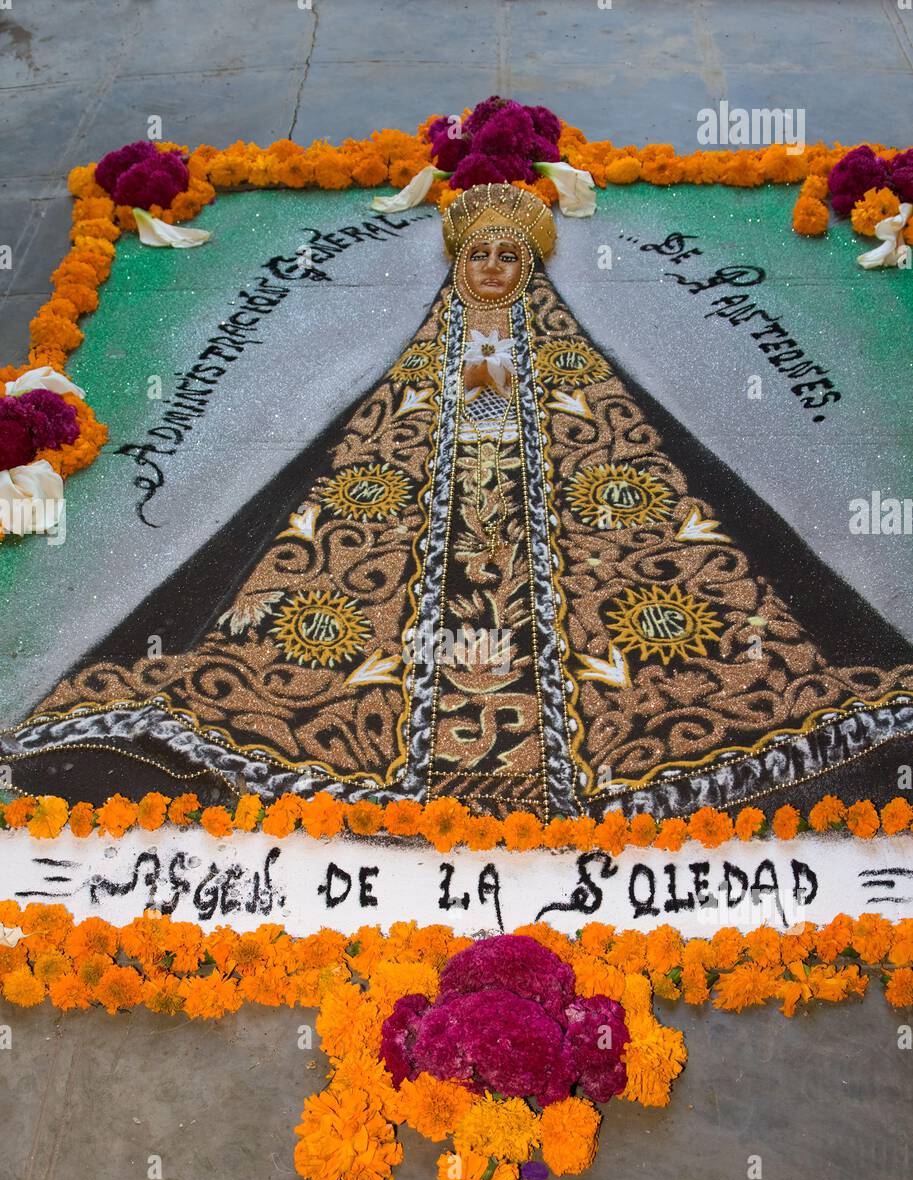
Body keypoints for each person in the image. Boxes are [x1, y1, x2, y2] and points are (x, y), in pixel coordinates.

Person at [6, 183, 912, 818]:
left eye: (506, 254)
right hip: (423, 506)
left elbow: (609, 430)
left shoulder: (565, 349)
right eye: (476, 253)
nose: (487, 267)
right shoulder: (428, 350)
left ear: (527, 264)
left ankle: (577, 762)